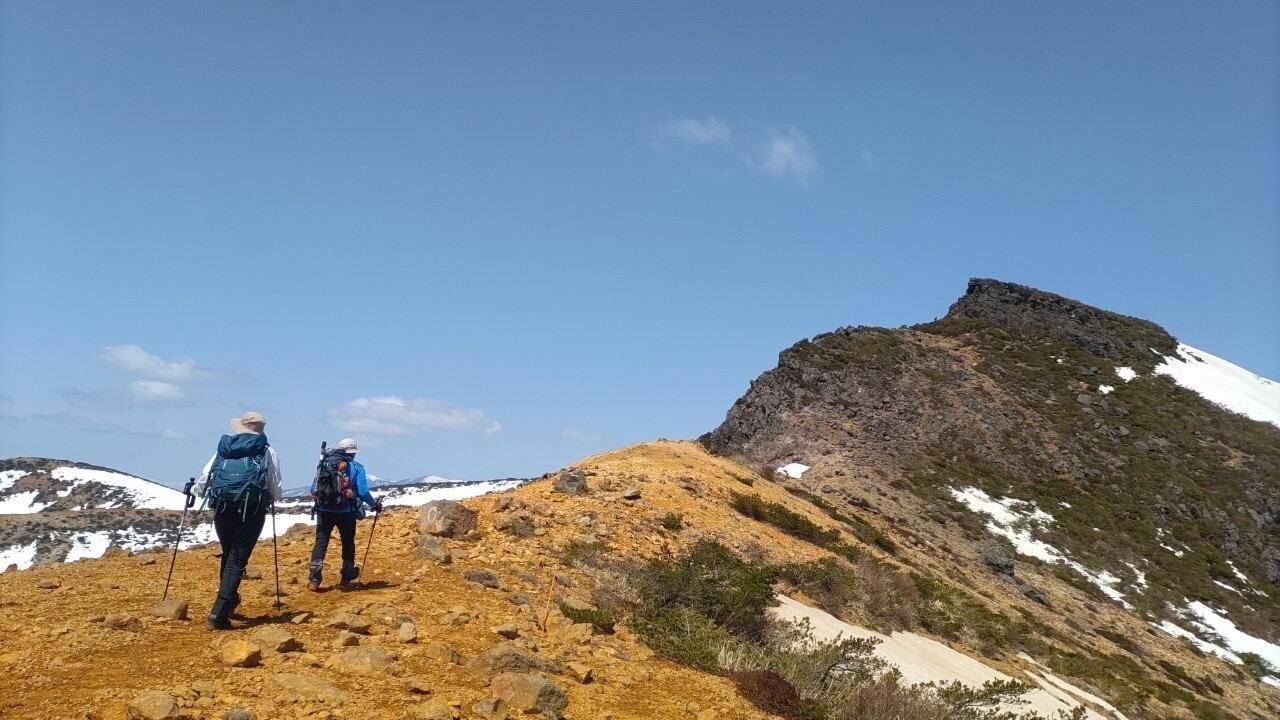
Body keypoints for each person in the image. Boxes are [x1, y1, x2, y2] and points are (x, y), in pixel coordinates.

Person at [192, 411, 283, 630]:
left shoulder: (225, 448)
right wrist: (271, 498)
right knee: (237, 559)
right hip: (251, 510)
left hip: (222, 508)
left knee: (229, 553)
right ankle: (218, 613)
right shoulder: (266, 450)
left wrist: (196, 491)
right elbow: (275, 486)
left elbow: (206, 476)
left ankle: (230, 601)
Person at [308, 437, 381, 590]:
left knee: (321, 542)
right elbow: (363, 491)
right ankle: (347, 574)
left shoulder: (325, 463)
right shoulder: (357, 467)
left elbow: (313, 488)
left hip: (324, 510)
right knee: (348, 542)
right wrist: (374, 505)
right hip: (346, 511)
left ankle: (314, 579)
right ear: (353, 452)